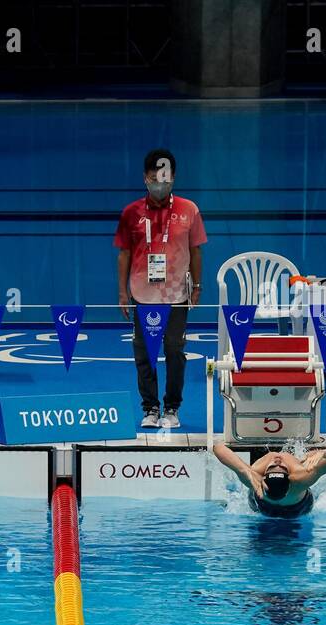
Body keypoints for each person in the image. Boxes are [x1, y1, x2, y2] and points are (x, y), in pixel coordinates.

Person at [115, 147, 207, 430]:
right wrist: (122, 293)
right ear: (145, 178)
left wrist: (197, 286)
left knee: (175, 350)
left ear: (174, 178)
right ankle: (150, 407)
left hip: (176, 293)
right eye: (156, 178)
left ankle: (172, 407)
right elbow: (124, 254)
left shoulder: (189, 209)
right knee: (144, 352)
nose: (161, 183)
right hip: (142, 294)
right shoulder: (131, 213)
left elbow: (195, 251)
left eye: (166, 178)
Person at [213, 442, 326, 518]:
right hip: (299, 508)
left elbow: (218, 447)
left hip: (264, 504)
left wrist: (244, 469)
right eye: (282, 467)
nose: (278, 460)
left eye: (273, 466)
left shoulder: (254, 476)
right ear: (290, 477)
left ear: (264, 478)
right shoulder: (300, 478)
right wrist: (323, 452)